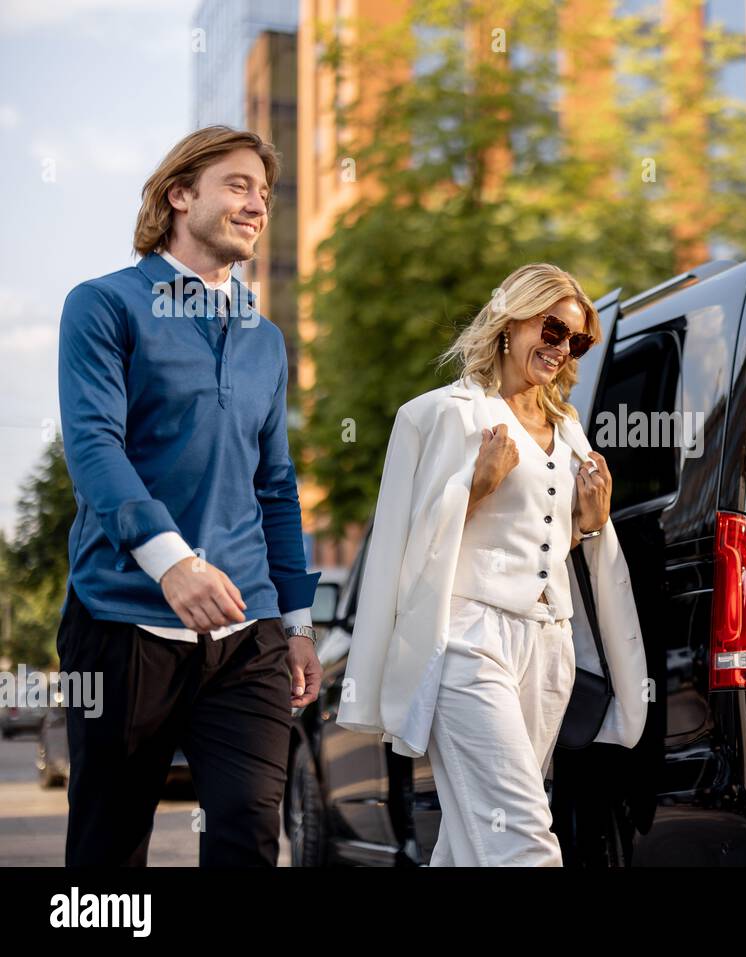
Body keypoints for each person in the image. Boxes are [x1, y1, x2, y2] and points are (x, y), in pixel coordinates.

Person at [55, 126, 321, 866]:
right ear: (179, 194)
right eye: (238, 185)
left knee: (247, 829)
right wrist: (172, 562)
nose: (257, 204)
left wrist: (295, 619)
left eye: (264, 194)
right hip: (121, 620)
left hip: (248, 633)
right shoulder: (103, 306)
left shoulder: (265, 339)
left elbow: (274, 486)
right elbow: (95, 448)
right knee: (108, 848)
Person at [336, 263, 648, 866]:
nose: (561, 348)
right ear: (510, 322)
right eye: (551, 329)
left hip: (549, 647)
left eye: (576, 340)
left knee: (473, 837)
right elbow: (398, 545)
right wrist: (472, 487)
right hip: (467, 640)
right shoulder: (436, 415)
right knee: (524, 840)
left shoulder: (570, 429)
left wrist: (593, 522)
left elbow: (562, 542)